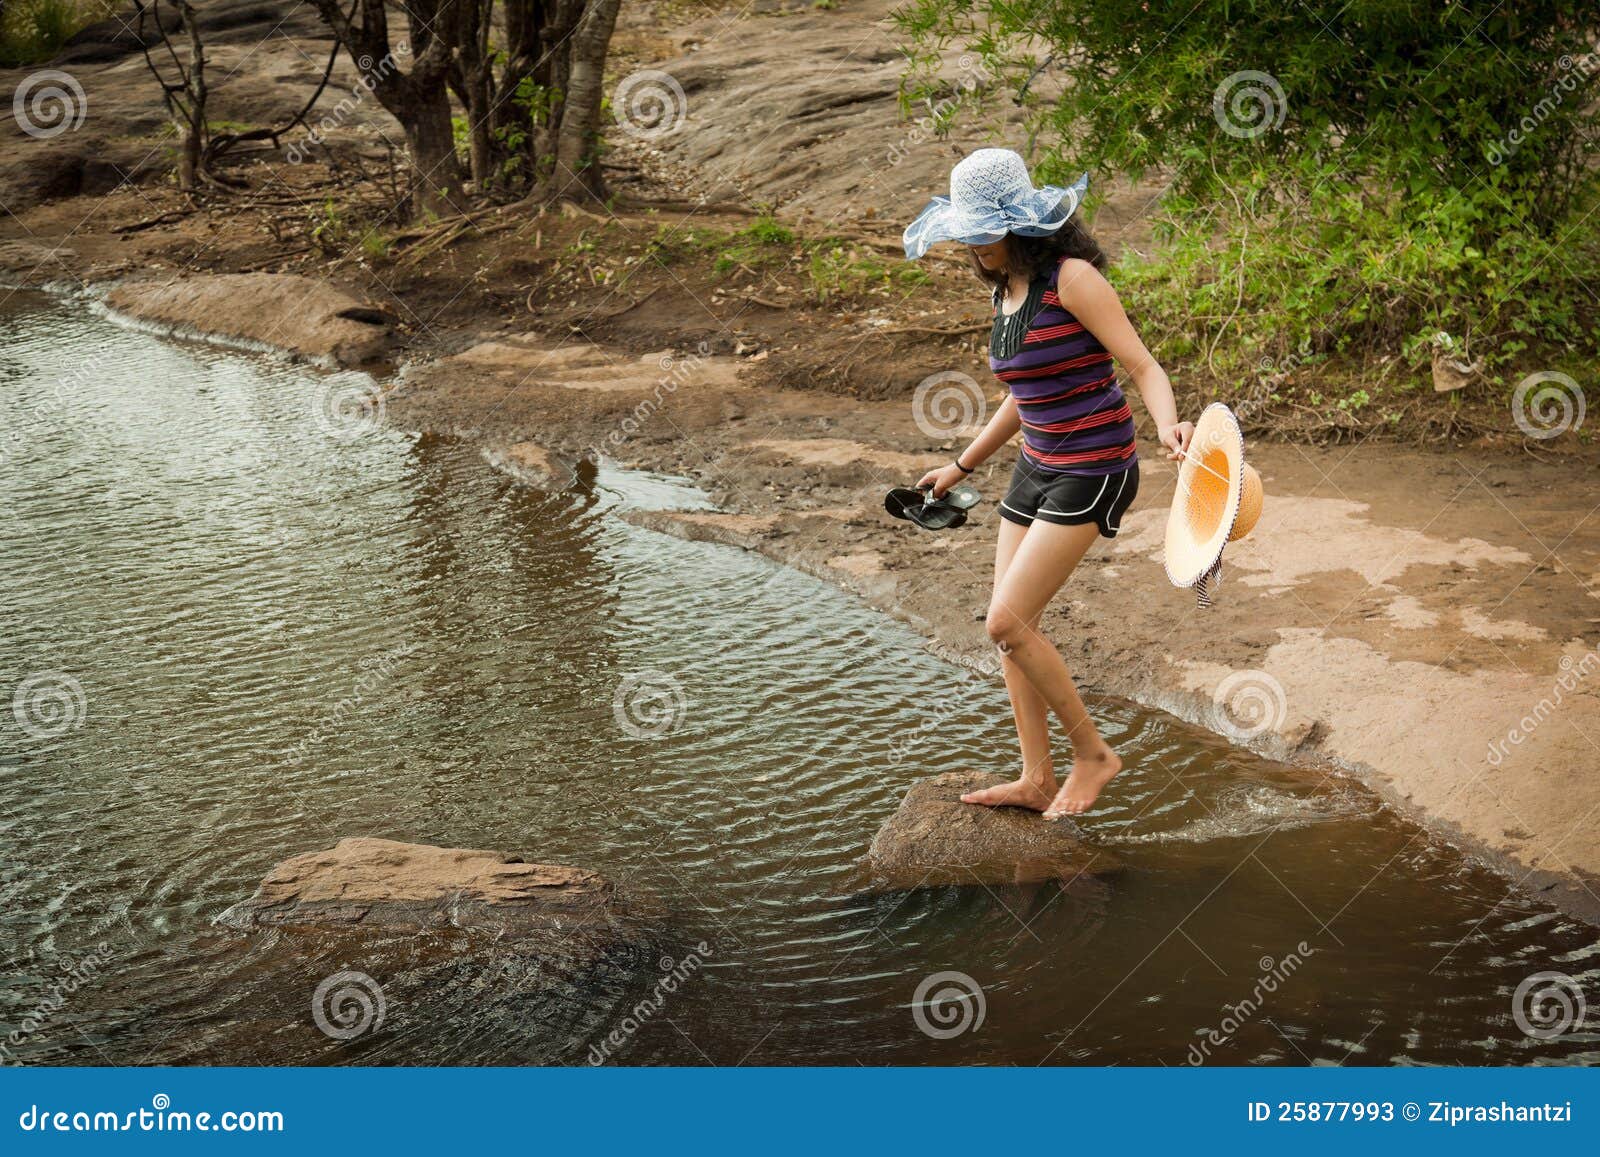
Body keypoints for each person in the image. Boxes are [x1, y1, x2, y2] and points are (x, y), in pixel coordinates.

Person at [903, 148, 1192, 819]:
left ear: (1015, 222)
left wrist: (1170, 427)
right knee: (1007, 628)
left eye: (982, 230)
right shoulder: (1004, 292)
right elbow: (1023, 393)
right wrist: (961, 465)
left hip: (1094, 466)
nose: (971, 244)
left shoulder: (1074, 280)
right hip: (1037, 465)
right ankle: (1036, 776)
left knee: (1007, 618)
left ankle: (1094, 755)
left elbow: (1144, 367)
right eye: (966, 232)